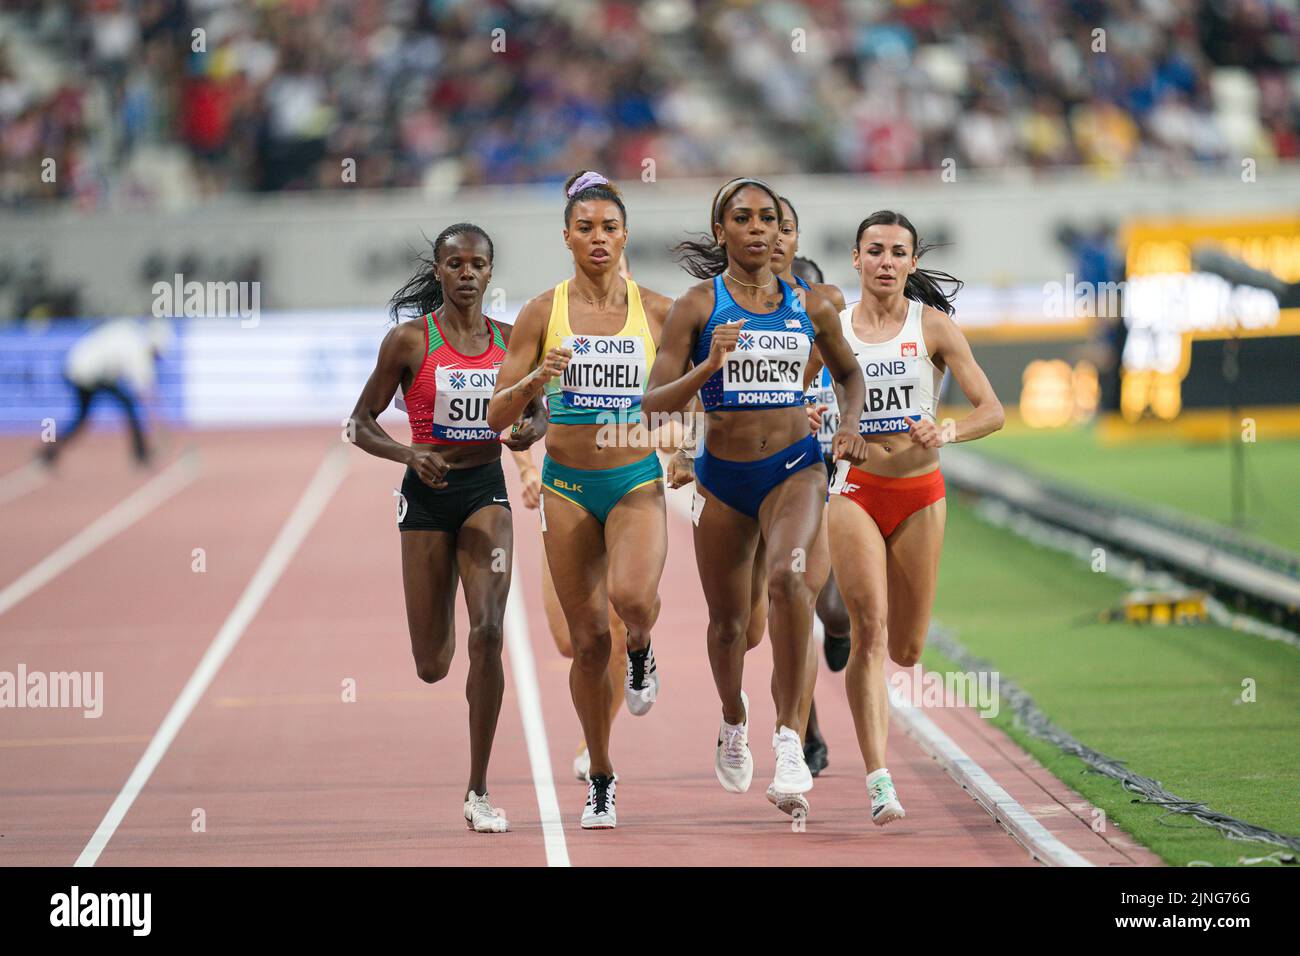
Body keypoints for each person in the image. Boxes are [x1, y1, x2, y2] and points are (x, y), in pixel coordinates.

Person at [642, 177, 866, 819]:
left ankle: (790, 740)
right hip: (721, 478)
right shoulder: (695, 305)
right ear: (722, 232)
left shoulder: (812, 302)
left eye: (769, 218)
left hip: (795, 468)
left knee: (791, 583)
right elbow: (653, 404)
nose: (760, 228)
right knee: (729, 627)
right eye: (743, 218)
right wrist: (707, 368)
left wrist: (848, 426)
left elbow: (849, 375)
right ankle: (734, 719)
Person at [487, 171, 674, 829]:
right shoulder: (542, 313)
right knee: (588, 642)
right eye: (586, 227)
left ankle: (645, 646)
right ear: (566, 235)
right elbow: (496, 415)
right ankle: (601, 775)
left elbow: (692, 392)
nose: (598, 238)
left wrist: (679, 442)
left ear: (626, 235)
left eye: (610, 227)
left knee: (628, 603)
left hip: (634, 481)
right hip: (567, 486)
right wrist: (539, 377)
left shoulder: (657, 311)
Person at [348, 223, 546, 833]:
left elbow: (537, 413)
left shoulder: (512, 341)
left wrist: (526, 431)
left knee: (489, 630)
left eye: (477, 264)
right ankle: (445, 661)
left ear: (490, 272)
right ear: (438, 271)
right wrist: (411, 455)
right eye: (454, 263)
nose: (466, 273)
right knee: (433, 663)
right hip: (426, 499)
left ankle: (479, 789)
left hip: (485, 491)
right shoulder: (409, 341)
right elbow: (359, 424)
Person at [814, 210, 1003, 825]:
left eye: (899, 252)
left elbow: (992, 410)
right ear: (856, 258)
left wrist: (944, 429)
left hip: (921, 493)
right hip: (856, 491)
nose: (887, 261)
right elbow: (794, 402)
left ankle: (864, 652)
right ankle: (877, 778)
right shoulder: (832, 329)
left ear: (912, 263)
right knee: (870, 630)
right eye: (876, 250)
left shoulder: (935, 328)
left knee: (907, 648)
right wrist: (817, 424)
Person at [39, 317, 173, 466]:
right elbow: (146, 392)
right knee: (127, 405)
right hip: (86, 371)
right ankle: (141, 454)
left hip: (81, 367)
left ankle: (50, 450)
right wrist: (160, 425)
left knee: (82, 419)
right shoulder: (136, 348)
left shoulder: (132, 334)